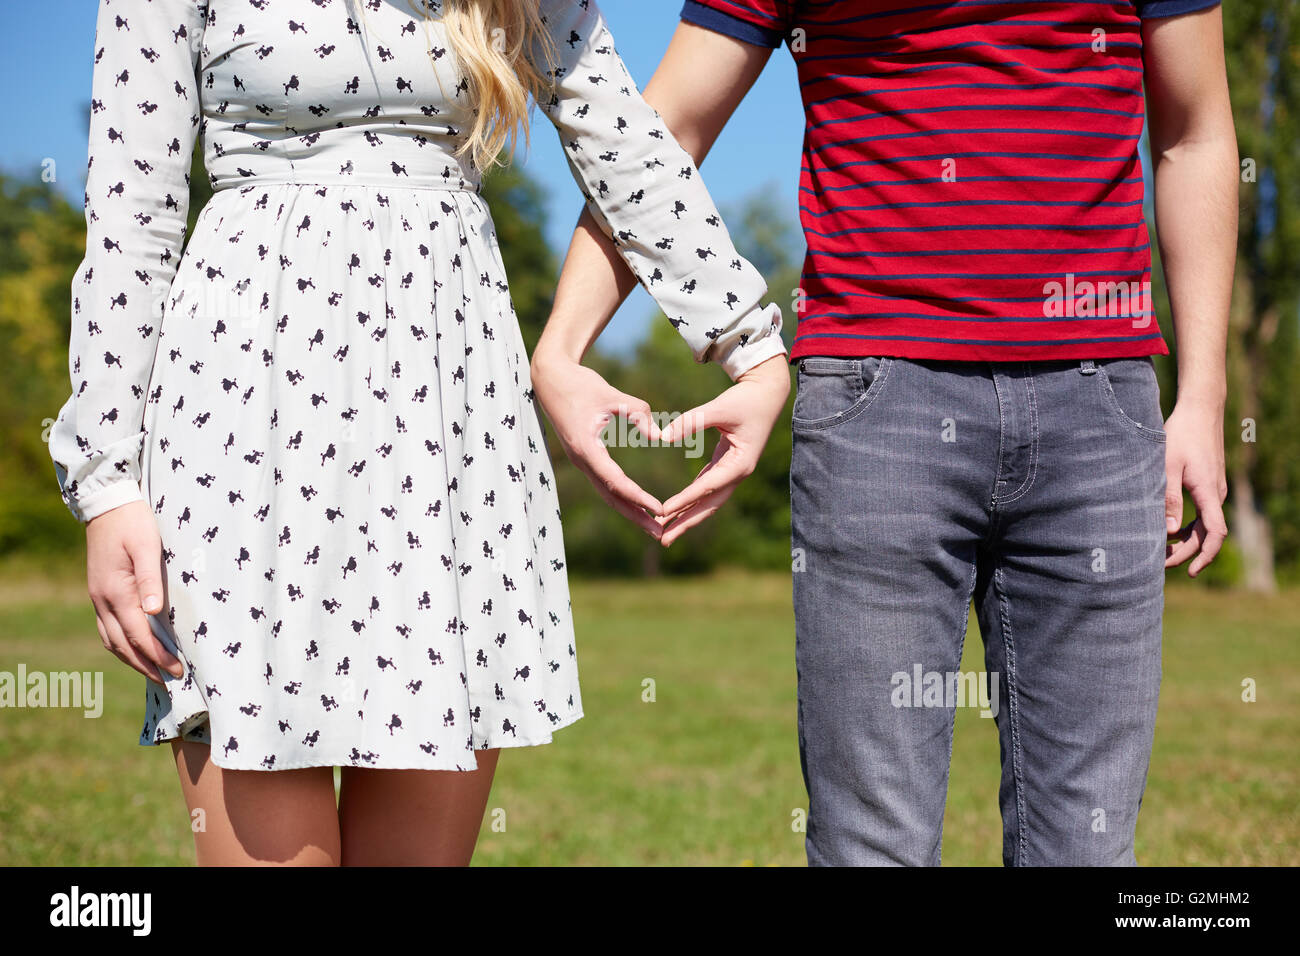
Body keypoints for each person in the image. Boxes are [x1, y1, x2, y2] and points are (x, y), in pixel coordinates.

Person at [48, 0, 783, 866]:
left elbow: (623, 141)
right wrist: (105, 480)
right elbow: (131, 215)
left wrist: (752, 345)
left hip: (449, 423)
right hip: (242, 425)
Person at [531, 0, 1237, 865]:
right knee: (871, 848)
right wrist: (563, 344)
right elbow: (665, 130)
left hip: (1100, 407)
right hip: (878, 410)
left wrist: (1203, 397)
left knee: (1087, 850)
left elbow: (1196, 133)